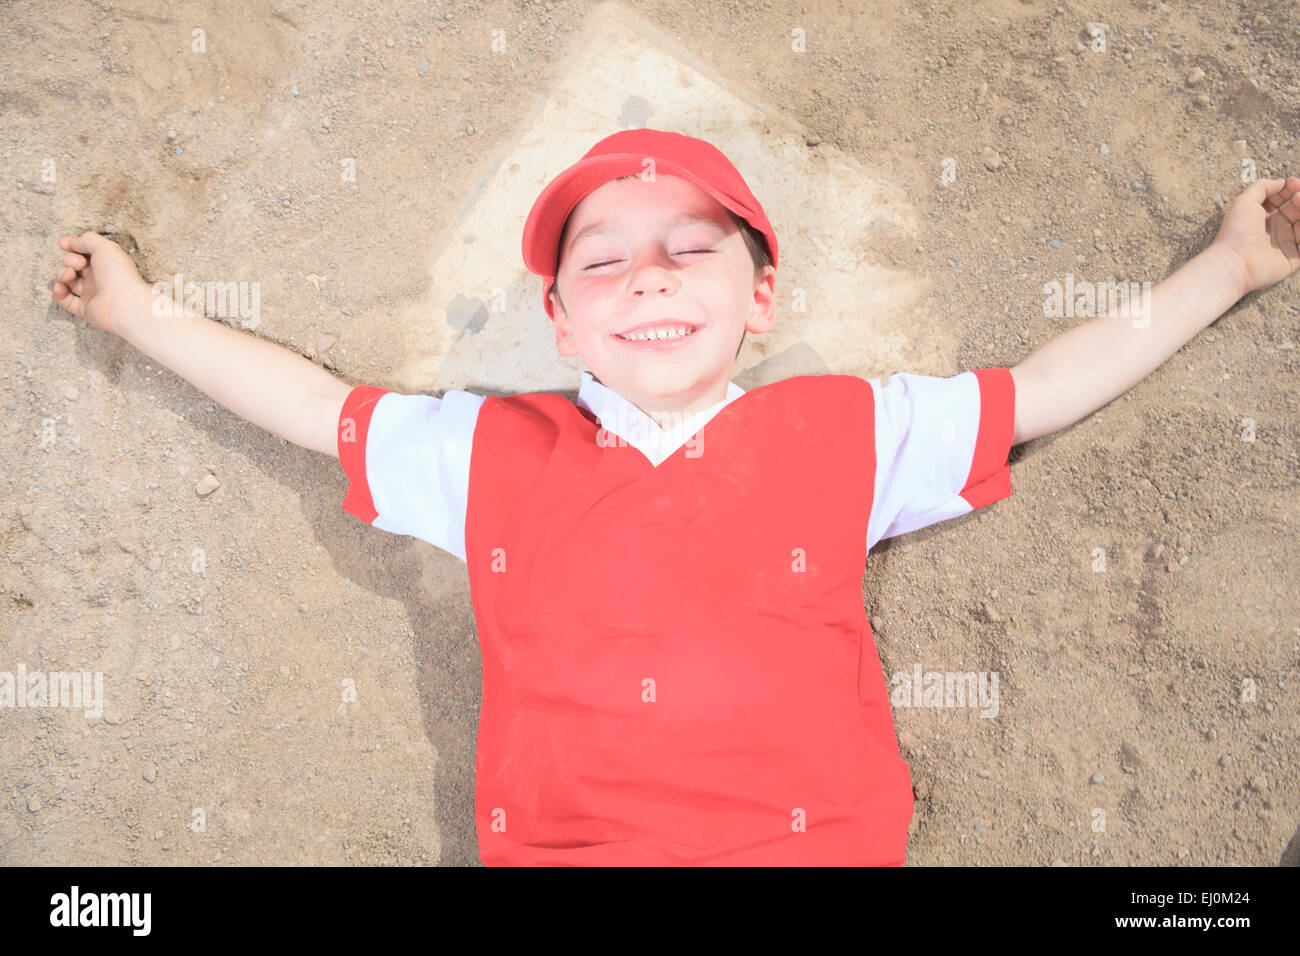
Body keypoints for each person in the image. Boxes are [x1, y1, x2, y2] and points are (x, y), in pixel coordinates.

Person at [52, 128, 1298, 865]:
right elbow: (310, 406)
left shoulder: (842, 429)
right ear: (559, 321)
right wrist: (134, 312)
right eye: (602, 261)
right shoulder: (488, 449)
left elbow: (1035, 391)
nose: (647, 277)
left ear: (762, 299)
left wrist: (1229, 267)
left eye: (692, 249)